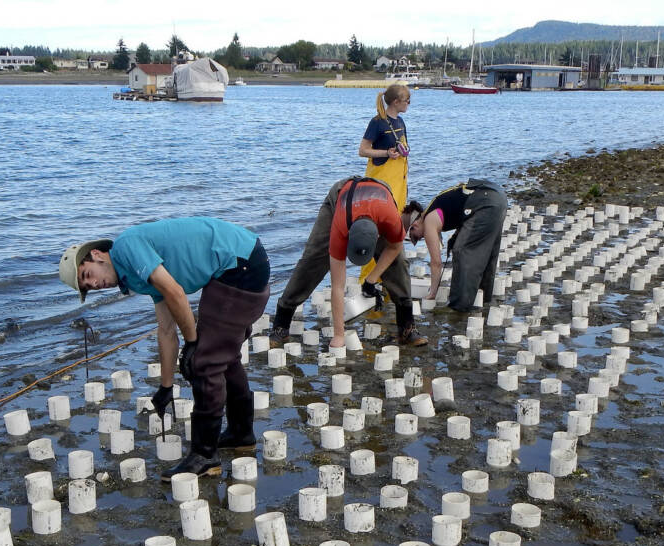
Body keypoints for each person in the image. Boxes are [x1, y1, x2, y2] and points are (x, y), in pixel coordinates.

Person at [59, 217, 270, 479]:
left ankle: (204, 456)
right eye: (86, 287)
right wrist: (166, 386)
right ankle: (241, 434)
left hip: (239, 263)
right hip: (242, 260)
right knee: (223, 354)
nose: (93, 284)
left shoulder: (126, 247)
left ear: (97, 254)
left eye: (87, 275)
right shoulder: (136, 275)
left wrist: (193, 344)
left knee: (205, 360)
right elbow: (166, 330)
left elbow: (176, 292)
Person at [269, 176, 427, 347]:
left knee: (398, 262)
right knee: (313, 259)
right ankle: (281, 325)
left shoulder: (390, 220)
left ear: (378, 235)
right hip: (340, 197)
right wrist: (338, 335)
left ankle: (407, 328)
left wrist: (371, 279)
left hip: (380, 195)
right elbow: (338, 285)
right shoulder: (340, 228)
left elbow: (394, 248)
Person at [405, 179, 509, 312]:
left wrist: (432, 293)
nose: (421, 238)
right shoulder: (434, 208)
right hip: (496, 197)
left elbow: (436, 263)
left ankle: (458, 306)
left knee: (461, 251)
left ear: (414, 225)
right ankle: (482, 297)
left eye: (416, 236)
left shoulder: (429, 221)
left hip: (485, 203)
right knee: (488, 251)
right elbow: (463, 214)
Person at [360, 84, 411, 214]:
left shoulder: (400, 121)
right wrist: (387, 153)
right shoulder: (377, 122)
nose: (408, 104)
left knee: (397, 212)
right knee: (381, 212)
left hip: (399, 179)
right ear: (396, 102)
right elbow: (363, 150)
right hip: (382, 178)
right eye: (407, 101)